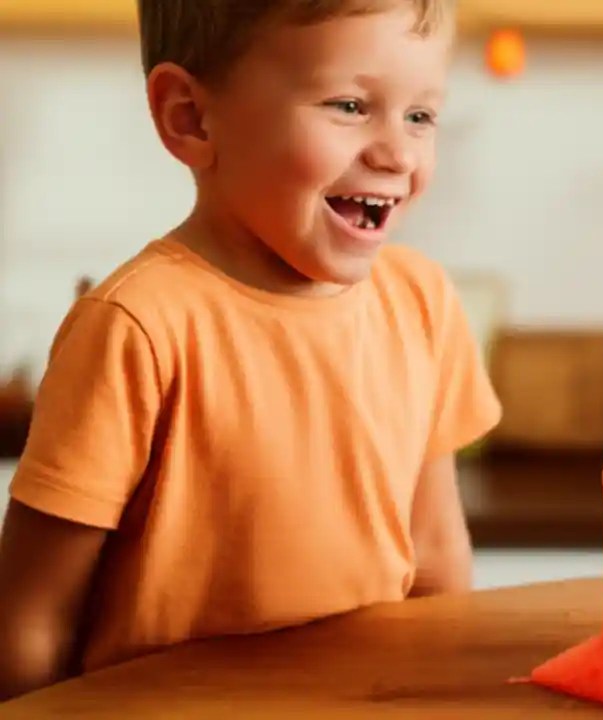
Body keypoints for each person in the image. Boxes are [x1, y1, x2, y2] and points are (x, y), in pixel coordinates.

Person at [0, 0, 500, 700]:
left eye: (421, 116)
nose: (398, 154)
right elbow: (32, 620)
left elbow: (438, 567)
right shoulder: (137, 327)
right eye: (351, 105)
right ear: (190, 119)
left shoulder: (421, 303)